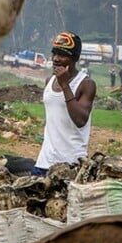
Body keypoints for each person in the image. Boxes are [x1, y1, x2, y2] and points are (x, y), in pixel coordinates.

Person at [32, 32, 97, 176]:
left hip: (70, 164)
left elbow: (80, 120)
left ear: (75, 58)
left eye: (62, 55)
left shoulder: (86, 84)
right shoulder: (49, 81)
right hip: (44, 162)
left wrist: (65, 86)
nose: (56, 59)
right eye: (54, 53)